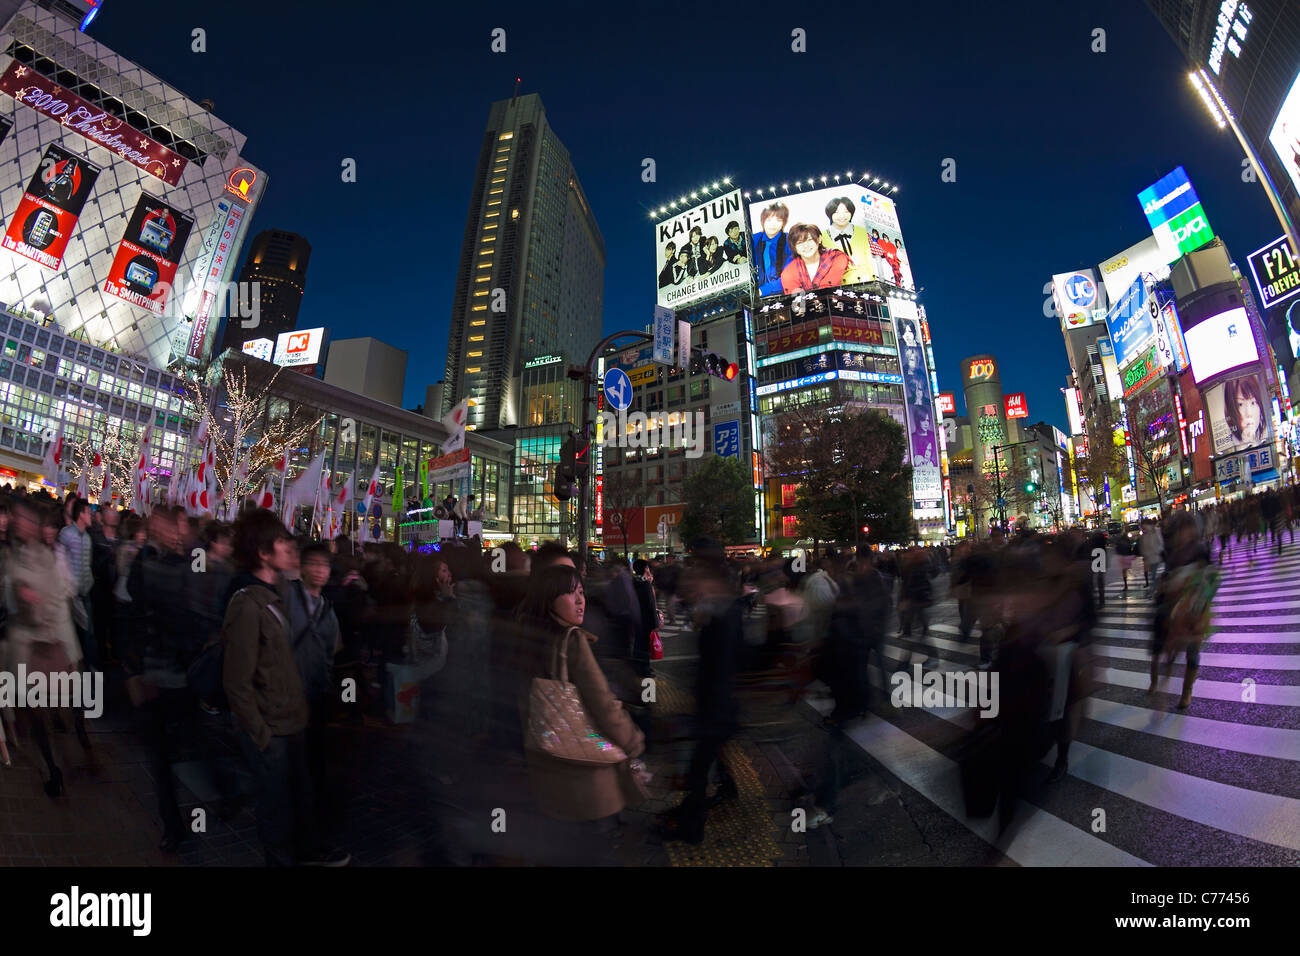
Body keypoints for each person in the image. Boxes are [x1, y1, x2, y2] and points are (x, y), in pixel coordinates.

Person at [221, 508, 349, 867]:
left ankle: (307, 853)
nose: (291, 548)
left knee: (299, 797)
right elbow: (237, 681)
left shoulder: (278, 593)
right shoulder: (248, 603)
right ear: (263, 553)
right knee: (275, 809)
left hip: (292, 722)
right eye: (282, 542)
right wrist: (261, 734)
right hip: (271, 729)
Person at [518, 564, 645, 864]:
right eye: (570, 593)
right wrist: (632, 740)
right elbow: (603, 703)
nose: (580, 601)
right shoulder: (571, 640)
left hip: (545, 773)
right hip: (585, 777)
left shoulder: (528, 634)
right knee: (593, 852)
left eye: (582, 592)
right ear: (549, 598)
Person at [5, 498, 87, 797]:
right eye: (18, 518)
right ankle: (52, 767)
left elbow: (55, 600)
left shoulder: (47, 557)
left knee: (49, 709)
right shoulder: (19, 553)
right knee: (35, 712)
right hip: (27, 646)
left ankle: (57, 764)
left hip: (44, 645)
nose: (21, 523)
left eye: (27, 519)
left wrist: (34, 602)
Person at [57, 498, 96, 672]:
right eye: (89, 512)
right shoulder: (66, 534)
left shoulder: (88, 538)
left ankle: (86, 668)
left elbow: (88, 565)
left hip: (85, 593)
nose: (91, 516)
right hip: (68, 595)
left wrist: (89, 583)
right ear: (81, 514)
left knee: (87, 632)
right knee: (69, 634)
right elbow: (59, 561)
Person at [780, 223, 850, 294]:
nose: (806, 246)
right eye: (800, 243)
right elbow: (798, 303)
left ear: (819, 239)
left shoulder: (837, 258)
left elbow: (828, 289)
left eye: (809, 240)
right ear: (793, 247)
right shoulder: (788, 273)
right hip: (807, 305)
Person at [820, 196, 874, 285]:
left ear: (851, 213)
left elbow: (869, 258)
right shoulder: (822, 236)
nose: (842, 216)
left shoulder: (862, 232)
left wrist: (871, 279)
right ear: (830, 214)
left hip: (865, 282)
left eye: (846, 211)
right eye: (836, 212)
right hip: (837, 286)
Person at [752, 202, 794, 297]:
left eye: (778, 220)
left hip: (783, 293)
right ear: (762, 221)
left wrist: (762, 291)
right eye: (769, 220)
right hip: (756, 295)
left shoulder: (789, 240)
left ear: (784, 222)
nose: (773, 224)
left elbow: (790, 274)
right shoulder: (754, 239)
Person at [1224, 376, 1268, 445]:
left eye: (1253, 403)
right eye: (1240, 404)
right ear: (1230, 408)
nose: (1249, 413)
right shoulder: (1228, 444)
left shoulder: (1266, 437)